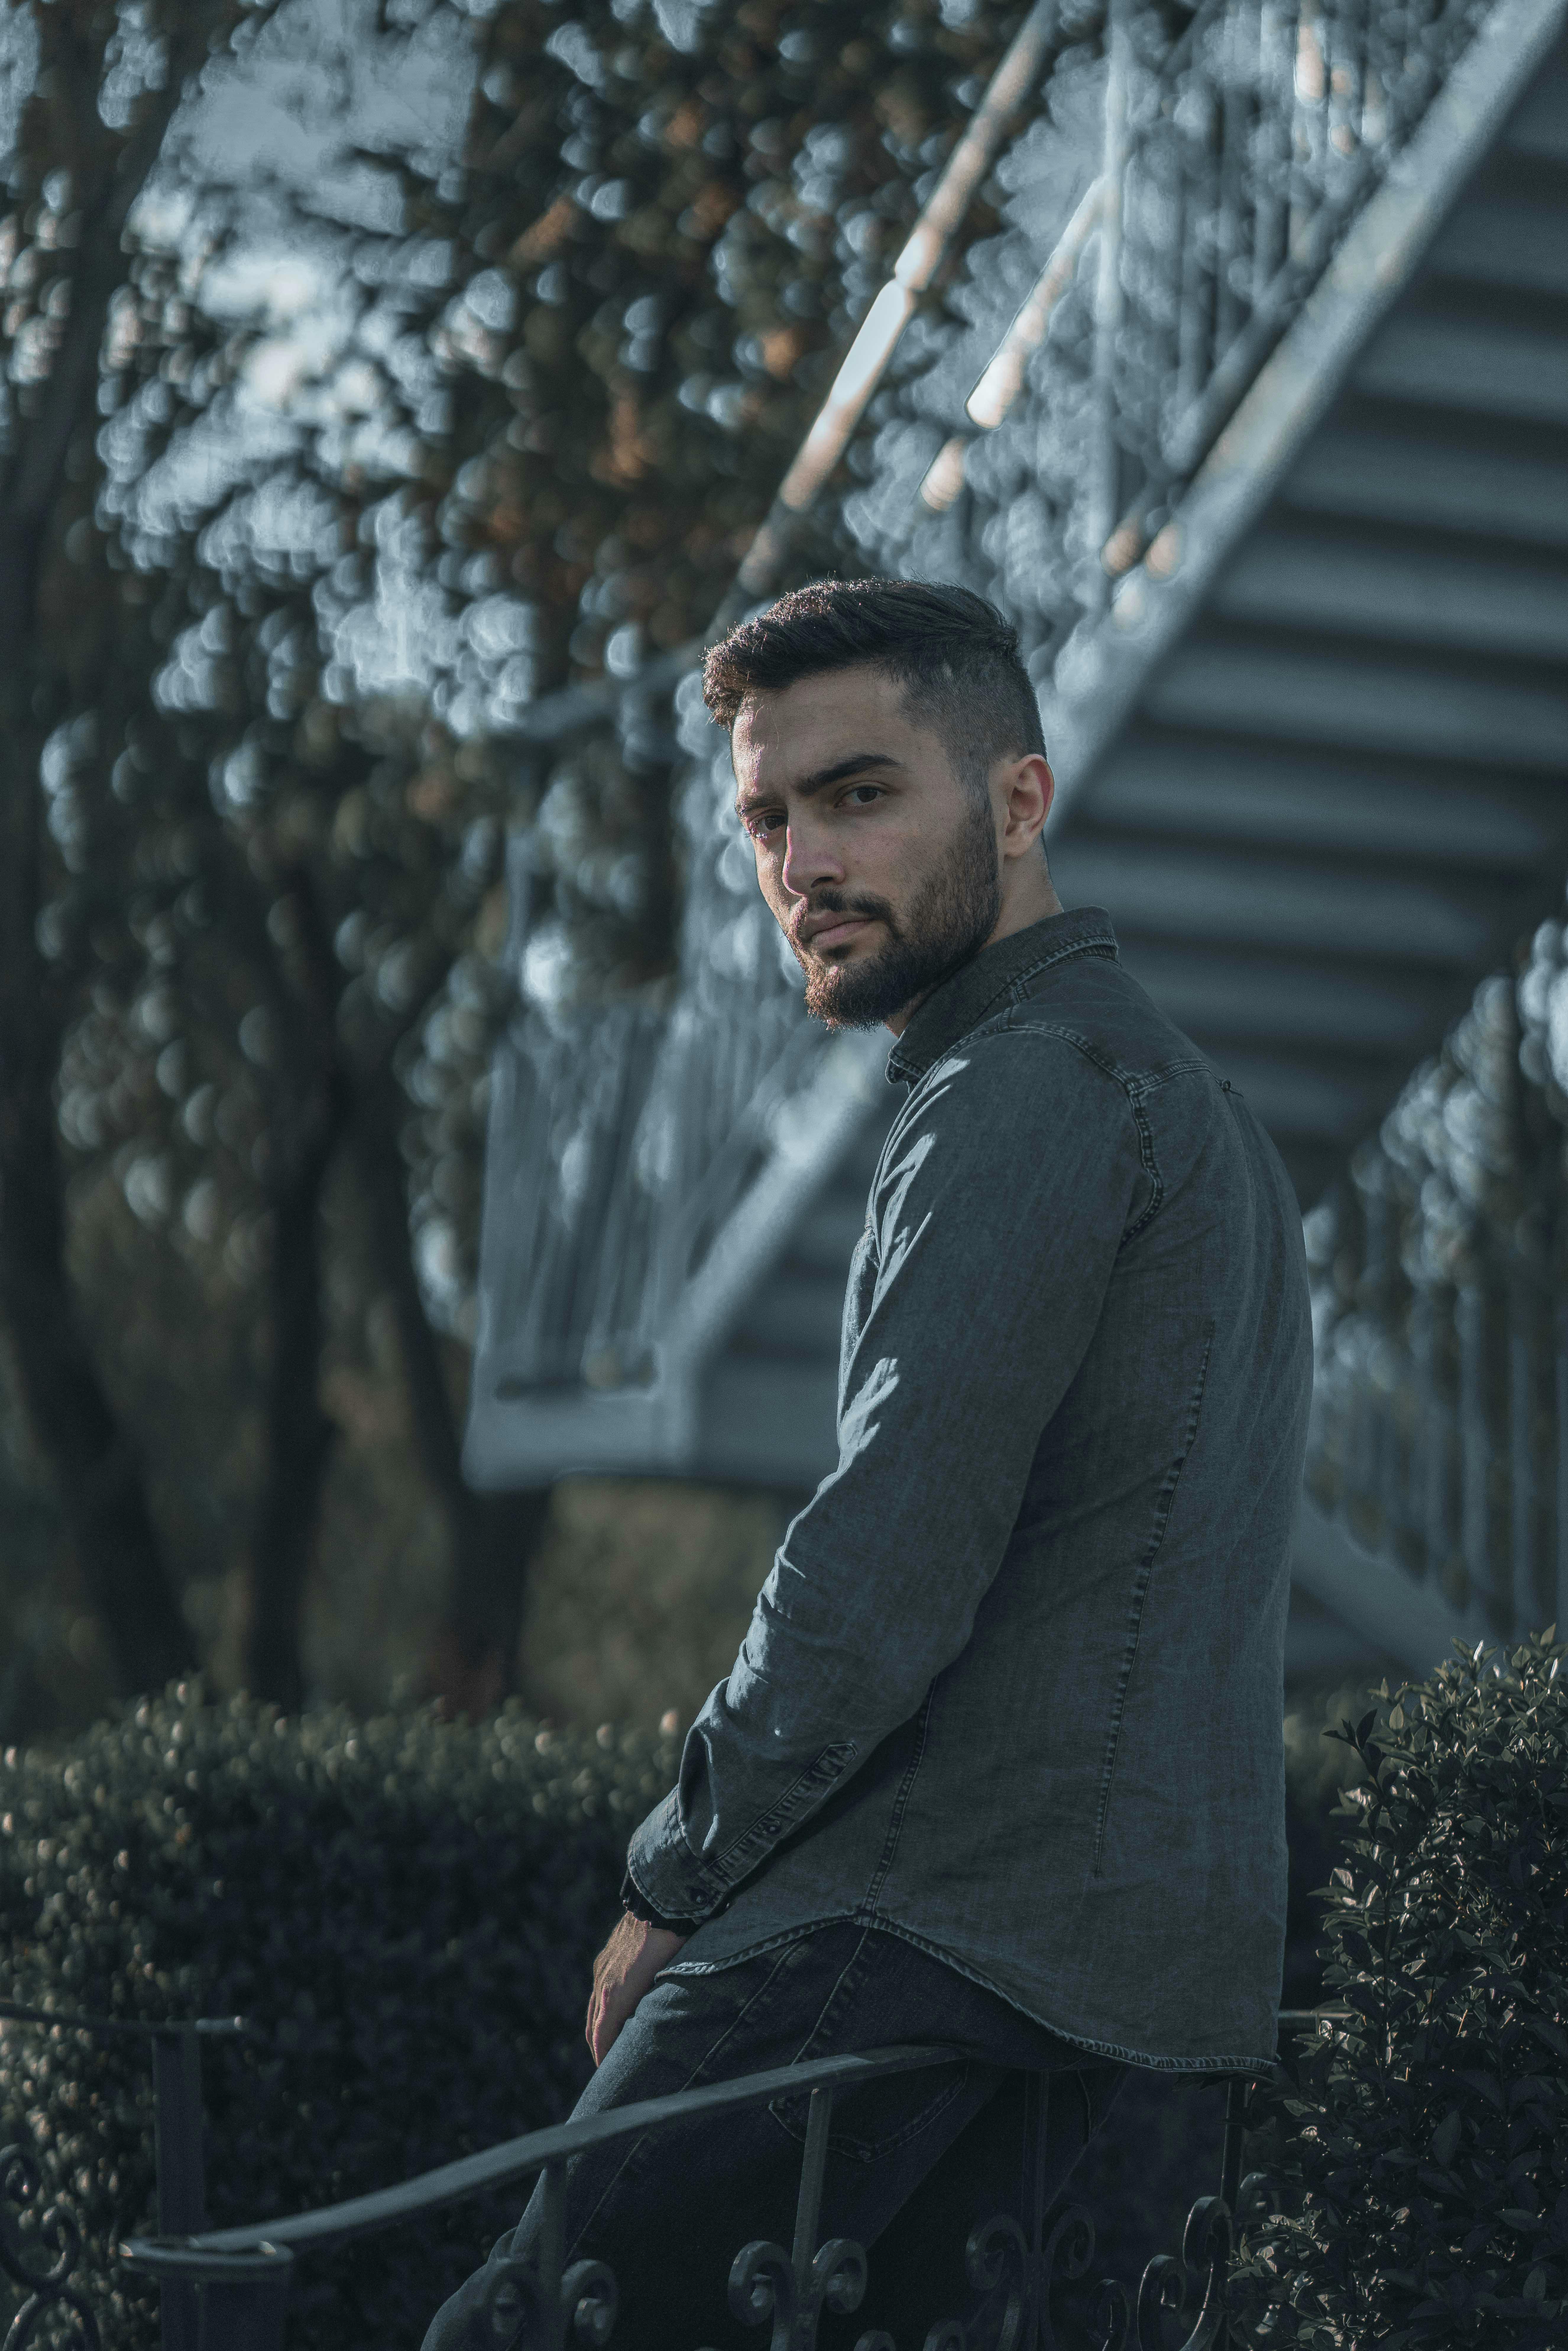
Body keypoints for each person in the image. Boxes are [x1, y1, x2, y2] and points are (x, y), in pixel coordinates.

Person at [424, 579, 1313, 2349]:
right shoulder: (1202, 1119)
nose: (801, 862)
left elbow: (885, 1553)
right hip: (1155, 1989)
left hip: (914, 1931)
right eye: (766, 817)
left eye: (858, 794)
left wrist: (675, 1873)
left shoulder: (1018, 1089)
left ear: (1014, 800)